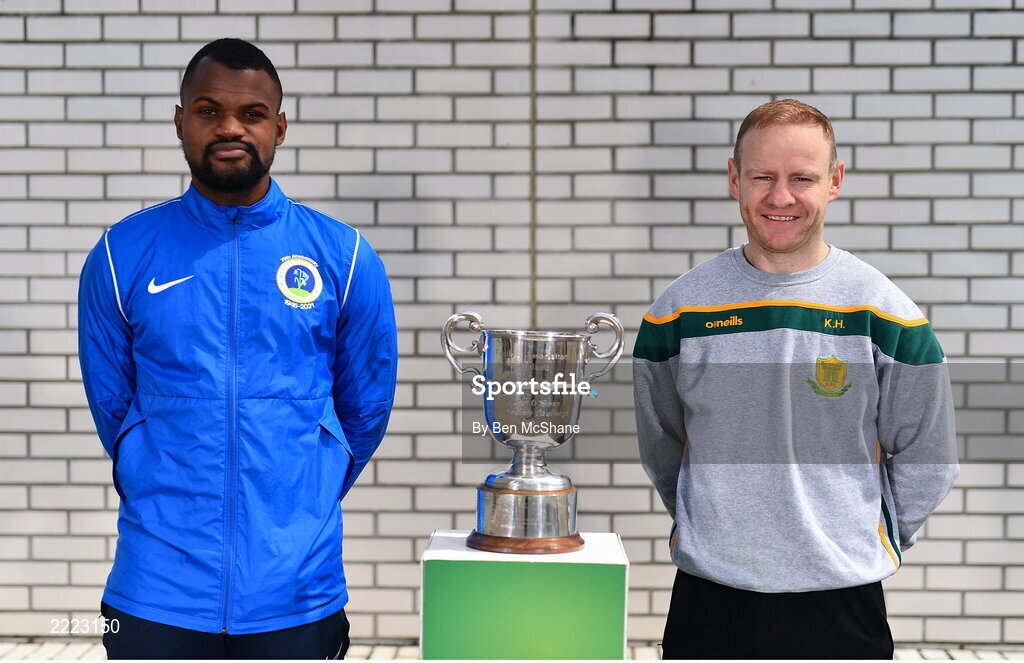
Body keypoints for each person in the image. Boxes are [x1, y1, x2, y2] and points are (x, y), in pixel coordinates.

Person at [78, 38, 398, 660]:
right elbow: (114, 408)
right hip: (156, 591)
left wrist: (300, 494)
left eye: (252, 113)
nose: (230, 128)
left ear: (280, 127)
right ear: (180, 122)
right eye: (208, 111)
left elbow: (365, 410)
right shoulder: (121, 254)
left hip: (297, 591)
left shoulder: (344, 256)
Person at [632, 99, 958, 659]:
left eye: (801, 178)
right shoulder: (679, 312)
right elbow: (661, 444)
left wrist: (863, 535)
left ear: (835, 181)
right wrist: (712, 521)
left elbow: (929, 457)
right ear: (735, 179)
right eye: (762, 176)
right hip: (710, 598)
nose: (780, 197)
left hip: (841, 600)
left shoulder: (884, 312)